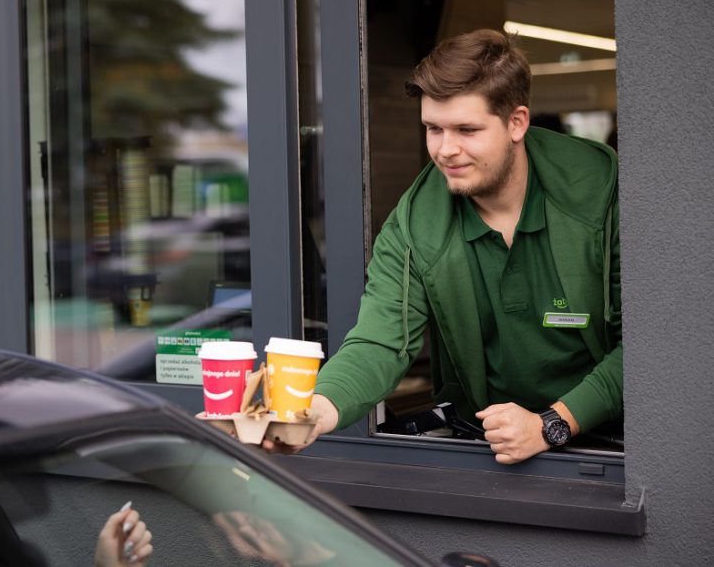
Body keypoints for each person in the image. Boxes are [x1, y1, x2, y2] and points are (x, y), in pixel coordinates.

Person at [267, 29, 622, 464]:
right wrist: (313, 413)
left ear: (517, 122)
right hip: (491, 450)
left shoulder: (604, 193)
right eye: (433, 128)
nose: (446, 150)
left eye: (467, 130)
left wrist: (553, 422)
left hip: (618, 447)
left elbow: (648, 345)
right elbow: (380, 342)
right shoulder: (415, 222)